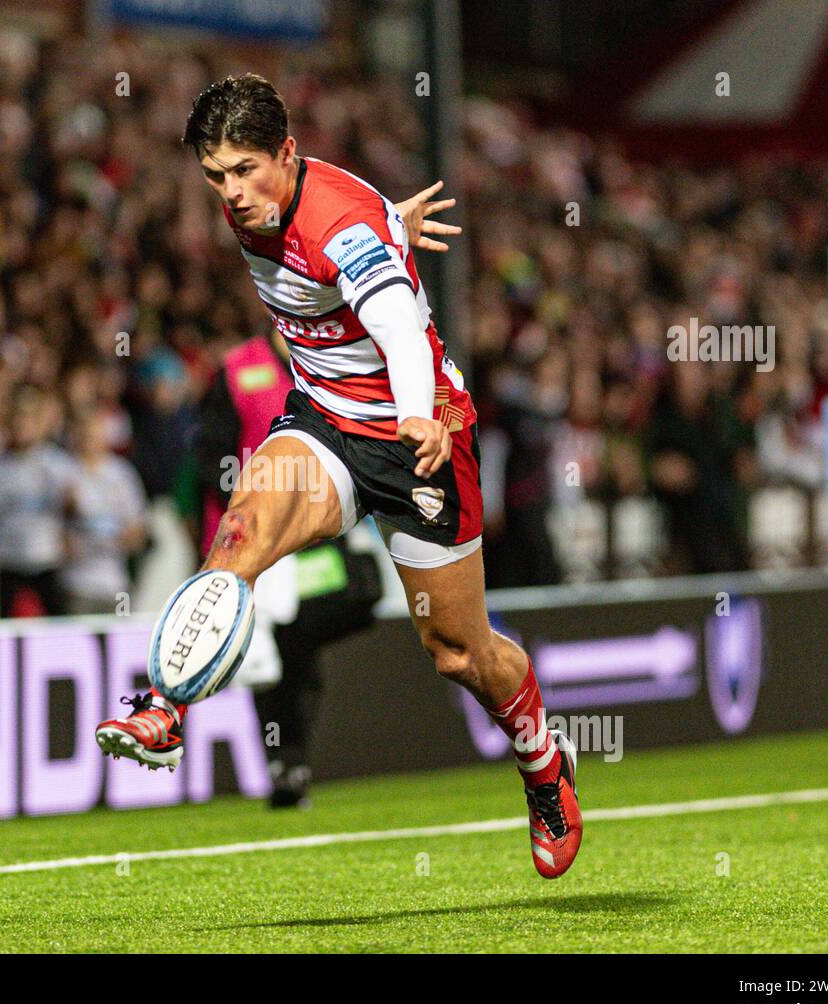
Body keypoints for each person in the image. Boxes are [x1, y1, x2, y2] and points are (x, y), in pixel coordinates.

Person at [96, 74, 582, 878]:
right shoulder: (276, 205)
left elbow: (392, 318)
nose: (233, 192)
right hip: (322, 420)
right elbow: (343, 242)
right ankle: (162, 708)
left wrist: (420, 408)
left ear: (287, 154)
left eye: (247, 170)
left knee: (460, 654)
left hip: (417, 433)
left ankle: (543, 765)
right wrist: (391, 223)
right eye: (217, 176)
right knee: (242, 531)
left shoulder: (340, 226)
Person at [196, 329, 382, 808]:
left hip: (317, 527)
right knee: (282, 660)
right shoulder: (239, 367)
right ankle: (287, 762)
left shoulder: (329, 357)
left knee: (358, 597)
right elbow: (213, 453)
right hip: (260, 536)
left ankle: (287, 753)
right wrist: (248, 519)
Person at [0, 384, 75, 617]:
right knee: (7, 626)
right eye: (17, 421)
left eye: (29, 420)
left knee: (57, 626)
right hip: (9, 560)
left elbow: (72, 508)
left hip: (47, 558)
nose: (22, 427)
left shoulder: (57, 464)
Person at [63, 410, 149, 616]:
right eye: (83, 434)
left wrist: (124, 539)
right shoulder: (63, 472)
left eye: (93, 435)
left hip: (115, 584)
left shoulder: (122, 474)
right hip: (77, 584)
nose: (88, 441)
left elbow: (138, 530)